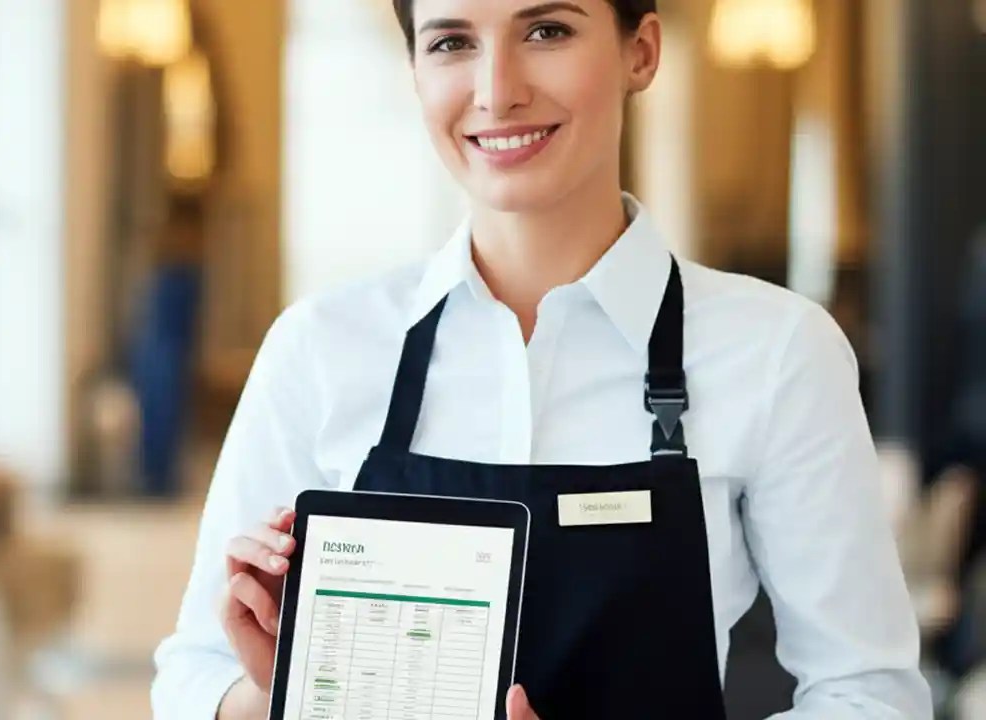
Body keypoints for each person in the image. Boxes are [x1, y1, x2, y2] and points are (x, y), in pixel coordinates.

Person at [152, 0, 931, 717]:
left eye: (546, 31)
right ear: (415, 70)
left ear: (640, 52)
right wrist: (279, 690)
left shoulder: (778, 352)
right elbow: (191, 678)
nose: (498, 91)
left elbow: (870, 697)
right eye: (451, 43)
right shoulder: (320, 348)